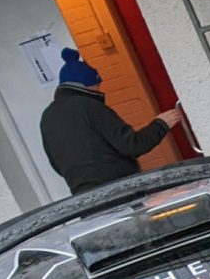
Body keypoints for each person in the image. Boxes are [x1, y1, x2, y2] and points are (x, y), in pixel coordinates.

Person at [38, 48, 181, 193]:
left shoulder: (47, 117)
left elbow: (57, 165)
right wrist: (161, 124)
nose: (100, 90)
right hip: (120, 192)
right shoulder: (90, 107)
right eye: (98, 85)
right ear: (87, 85)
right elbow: (132, 146)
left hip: (84, 199)